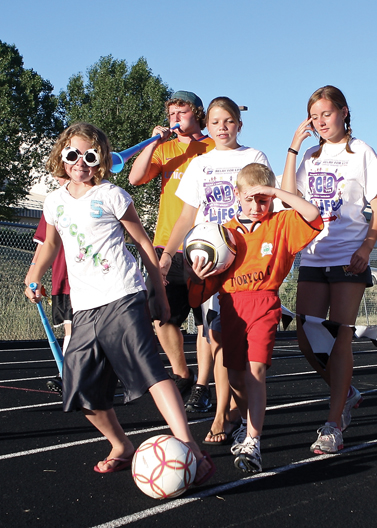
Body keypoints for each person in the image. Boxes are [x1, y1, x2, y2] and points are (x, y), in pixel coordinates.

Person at [24, 123, 214, 484]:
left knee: (150, 372)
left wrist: (157, 292)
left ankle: (189, 446)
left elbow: (144, 244)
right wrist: (33, 276)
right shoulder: (54, 202)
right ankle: (121, 445)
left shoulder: (112, 195)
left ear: (101, 161)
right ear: (61, 156)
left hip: (123, 294)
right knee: (79, 390)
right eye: (72, 154)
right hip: (84, 307)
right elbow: (49, 245)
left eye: (90, 156)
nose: (80, 162)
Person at [187, 163, 322, 472]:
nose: (257, 206)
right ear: (237, 195)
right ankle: (243, 424)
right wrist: (195, 276)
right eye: (250, 199)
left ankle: (253, 440)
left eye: (263, 200)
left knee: (255, 371)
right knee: (235, 378)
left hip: (264, 303)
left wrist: (276, 191)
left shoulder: (282, 221)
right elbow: (198, 292)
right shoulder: (222, 234)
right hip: (231, 305)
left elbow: (314, 216)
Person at [163, 96, 272, 450]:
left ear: (239, 123)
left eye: (228, 120)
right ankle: (226, 410)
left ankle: (225, 412)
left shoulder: (253, 157)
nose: (222, 127)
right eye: (215, 121)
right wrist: (167, 255)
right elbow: (186, 215)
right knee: (216, 339)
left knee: (234, 341)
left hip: (245, 260)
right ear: (206, 125)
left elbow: (267, 208)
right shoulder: (200, 164)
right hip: (209, 261)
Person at [280, 86, 377, 453]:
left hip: (348, 258)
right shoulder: (308, 155)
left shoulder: (362, 153)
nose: (321, 121)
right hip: (313, 255)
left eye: (327, 113)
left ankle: (333, 422)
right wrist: (294, 147)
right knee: (306, 338)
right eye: (315, 116)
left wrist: (368, 247)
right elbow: (287, 196)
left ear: (343, 112)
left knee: (340, 339)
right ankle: (347, 391)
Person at [128, 90, 214, 412]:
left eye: (182, 113)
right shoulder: (164, 149)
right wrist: (153, 142)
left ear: (198, 114)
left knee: (206, 320)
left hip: (204, 243)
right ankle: (182, 374)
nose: (175, 120)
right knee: (162, 316)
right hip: (166, 244)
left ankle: (203, 385)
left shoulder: (211, 148)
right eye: (171, 114)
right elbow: (135, 178)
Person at [31, 175, 71, 394]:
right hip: (62, 277)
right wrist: (33, 275)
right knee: (69, 327)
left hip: (86, 278)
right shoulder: (54, 201)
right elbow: (44, 243)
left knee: (74, 329)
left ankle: (66, 375)